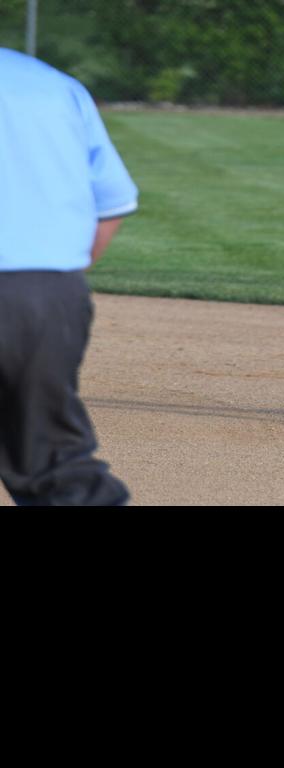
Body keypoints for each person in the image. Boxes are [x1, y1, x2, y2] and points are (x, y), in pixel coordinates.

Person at [0, 48, 138, 506]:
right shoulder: (52, 84)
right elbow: (113, 204)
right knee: (55, 465)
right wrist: (49, 285)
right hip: (46, 291)